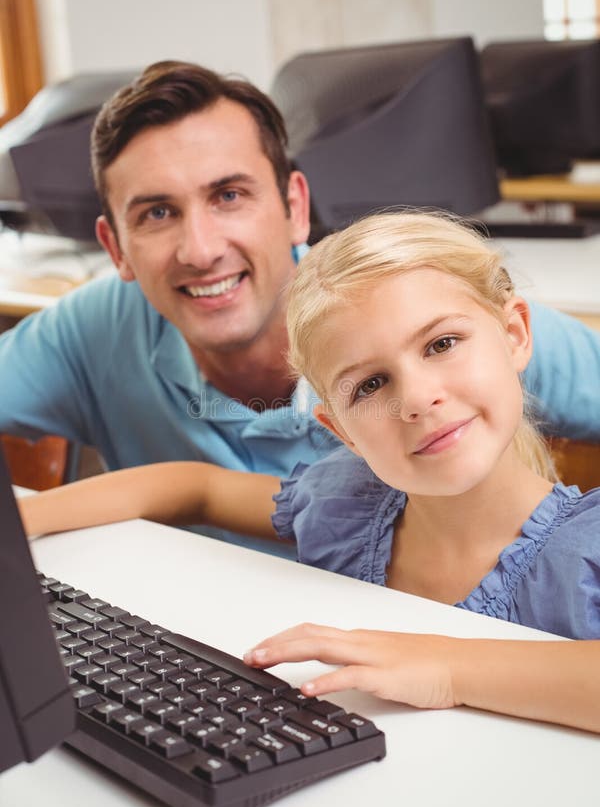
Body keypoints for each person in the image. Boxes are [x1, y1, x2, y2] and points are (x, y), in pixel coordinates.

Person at [19, 211, 600, 734]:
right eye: (370, 384)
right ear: (341, 430)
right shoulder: (349, 505)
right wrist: (23, 520)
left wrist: (447, 669)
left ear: (515, 334)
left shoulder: (585, 551)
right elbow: (196, 487)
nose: (418, 399)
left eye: (441, 343)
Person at [2, 61, 600, 555]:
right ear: (115, 248)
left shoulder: (424, 315)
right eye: (157, 213)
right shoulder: (89, 332)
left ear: (294, 206)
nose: (201, 250)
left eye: (229, 195)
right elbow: (197, 490)